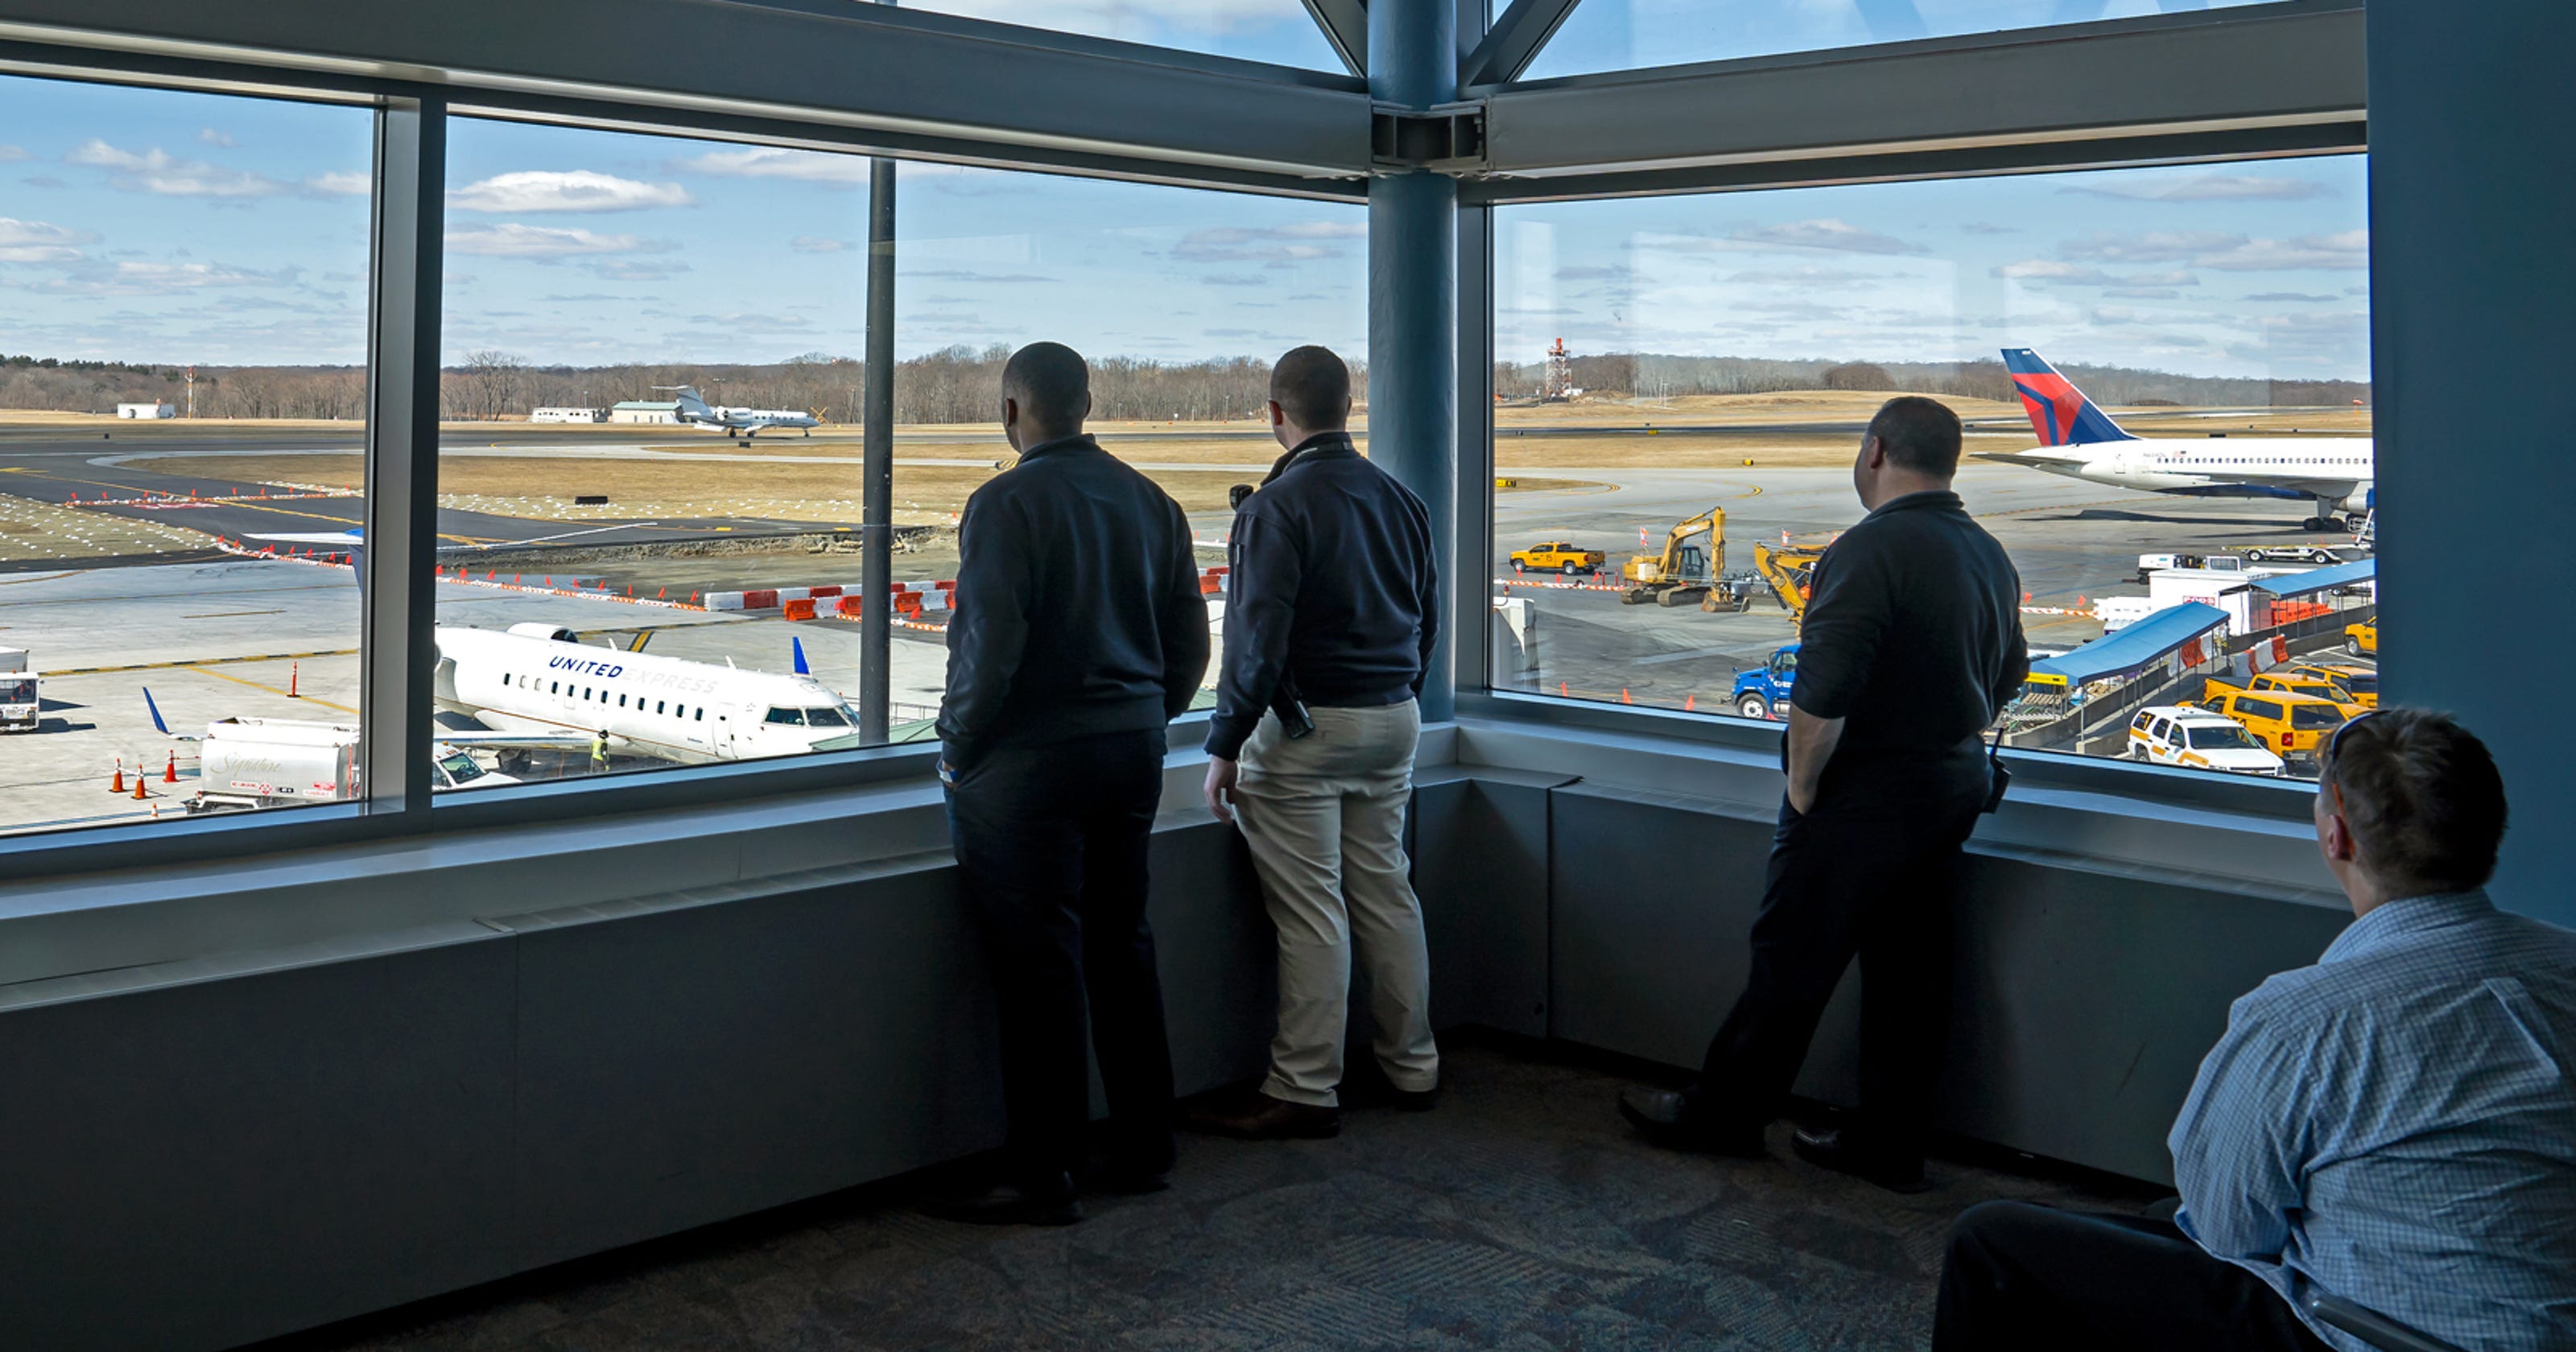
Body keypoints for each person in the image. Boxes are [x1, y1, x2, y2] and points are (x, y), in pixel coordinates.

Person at [1935, 710, 2576, 1351]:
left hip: (2377, 1334)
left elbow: (2227, 1229)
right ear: (2491, 828)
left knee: (1990, 1244)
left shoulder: (2305, 1018)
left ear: (2337, 839)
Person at [1617, 396, 2027, 1191]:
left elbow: (1822, 691)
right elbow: (2009, 672)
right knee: (1911, 973)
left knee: (1789, 962)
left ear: (1874, 451)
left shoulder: (1868, 550)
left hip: (1863, 794)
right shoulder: (1985, 552)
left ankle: (1725, 1116)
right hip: (1949, 786)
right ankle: (1889, 1143)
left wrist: (1802, 788)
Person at [927, 341, 1212, 1226]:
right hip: (1129, 752)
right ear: (1086, 405)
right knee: (1121, 946)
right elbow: (1190, 640)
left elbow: (989, 648)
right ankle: (1144, 1143)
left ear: (1011, 411)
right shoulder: (1151, 501)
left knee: (1037, 967)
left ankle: (1042, 1173)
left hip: (1030, 766)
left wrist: (957, 747)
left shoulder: (1004, 503)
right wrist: (1144, 716)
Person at [1187, 344, 1441, 1140]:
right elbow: (1426, 618)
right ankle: (1412, 1064)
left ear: (1275, 416)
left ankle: (1303, 1085)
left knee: (1310, 914)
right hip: (1392, 717)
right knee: (1386, 893)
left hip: (1307, 730)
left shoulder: (1275, 507)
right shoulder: (1399, 498)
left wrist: (1225, 743)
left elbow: (1254, 645)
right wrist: (1399, 698)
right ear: (1345, 409)